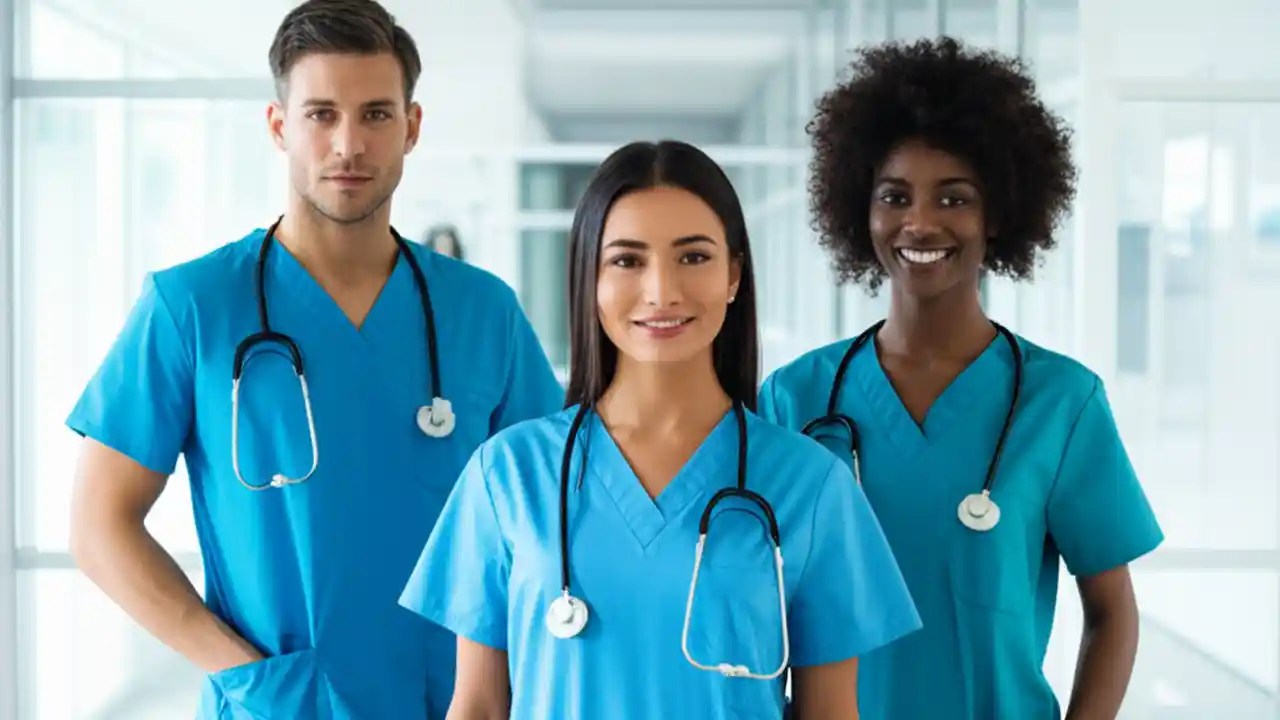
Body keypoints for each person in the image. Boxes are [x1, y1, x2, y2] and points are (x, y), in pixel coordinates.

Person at [65, 1, 563, 718]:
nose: (348, 145)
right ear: (279, 127)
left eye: (376, 115)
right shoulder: (193, 307)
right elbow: (99, 526)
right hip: (276, 704)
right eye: (321, 114)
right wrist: (250, 678)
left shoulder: (484, 314)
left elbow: (548, 523)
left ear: (412, 128)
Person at [399, 140, 922, 720]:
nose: (661, 291)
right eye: (627, 260)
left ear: (733, 276)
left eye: (693, 257)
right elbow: (476, 706)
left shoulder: (810, 486)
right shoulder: (508, 474)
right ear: (588, 278)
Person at [759, 37, 1163, 719]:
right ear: (861, 208)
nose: (920, 222)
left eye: (954, 198)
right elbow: (755, 605)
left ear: (998, 213)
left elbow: (1111, 610)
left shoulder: (1059, 402)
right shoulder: (796, 398)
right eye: (895, 196)